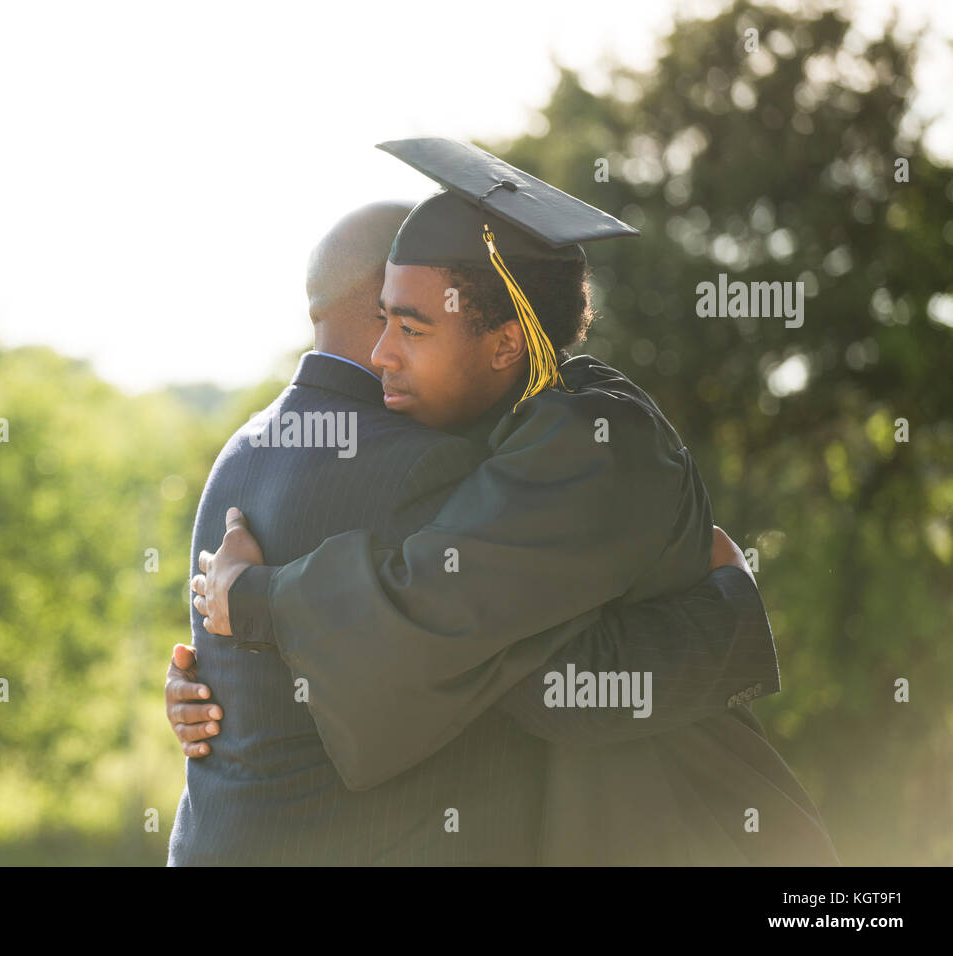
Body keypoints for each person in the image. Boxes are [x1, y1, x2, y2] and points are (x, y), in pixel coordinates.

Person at [193, 138, 838, 865]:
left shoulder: (593, 440)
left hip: (690, 823)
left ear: (505, 344)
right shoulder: (523, 428)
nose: (381, 355)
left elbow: (478, 637)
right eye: (382, 320)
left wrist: (255, 602)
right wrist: (219, 680)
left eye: (410, 327)